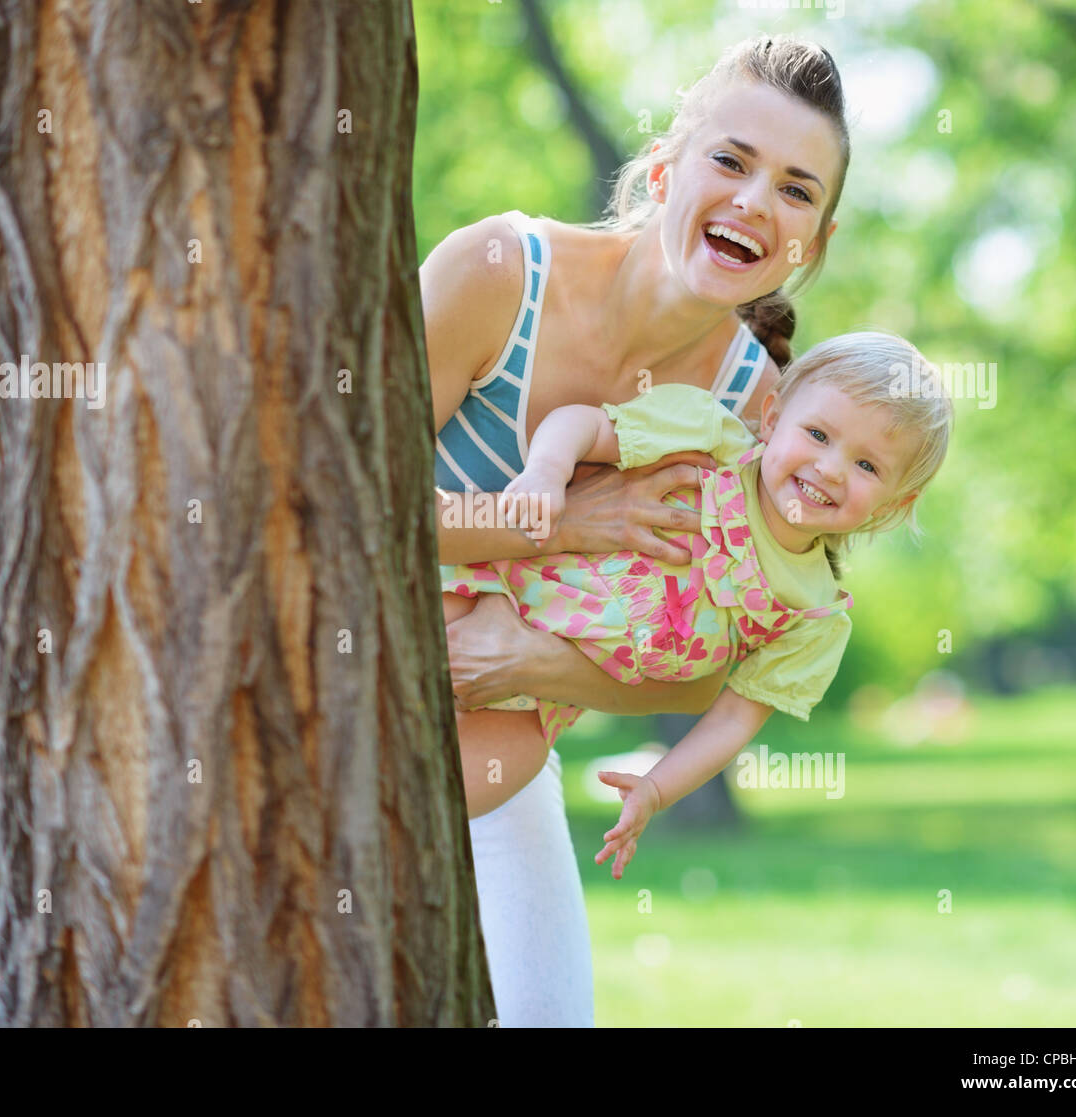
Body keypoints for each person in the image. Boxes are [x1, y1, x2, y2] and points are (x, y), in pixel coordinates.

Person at [425, 35, 850, 1026]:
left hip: (492, 736)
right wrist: (562, 523)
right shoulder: (500, 274)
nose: (754, 202)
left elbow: (719, 667)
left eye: (796, 190)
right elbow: (324, 514)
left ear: (812, 244)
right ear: (665, 167)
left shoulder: (755, 413)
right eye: (731, 161)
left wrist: (533, 657)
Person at [440, 333, 953, 877]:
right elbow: (585, 424)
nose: (829, 468)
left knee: (490, 775)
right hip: (491, 586)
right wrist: (546, 470)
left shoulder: (812, 617)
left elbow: (732, 720)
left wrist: (655, 789)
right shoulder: (709, 441)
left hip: (534, 701)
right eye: (819, 433)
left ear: (896, 504)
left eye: (867, 466)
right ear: (774, 417)